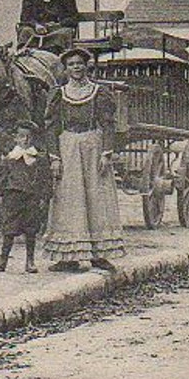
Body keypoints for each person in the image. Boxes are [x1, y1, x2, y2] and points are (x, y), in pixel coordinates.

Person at [43, 48, 125, 272]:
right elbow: (51, 127)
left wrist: (106, 152)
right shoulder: (59, 93)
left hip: (92, 146)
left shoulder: (99, 92)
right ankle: (68, 256)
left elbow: (108, 124)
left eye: (80, 63)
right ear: (66, 69)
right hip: (68, 145)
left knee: (95, 196)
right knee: (69, 197)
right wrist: (54, 158)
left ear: (87, 66)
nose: (76, 68)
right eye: (71, 64)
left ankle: (99, 255)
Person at [0, 122, 51, 274]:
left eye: (28, 137)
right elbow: (0, 177)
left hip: (31, 196)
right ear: (15, 138)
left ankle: (30, 261)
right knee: (9, 228)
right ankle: (2, 261)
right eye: (21, 136)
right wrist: (4, 192)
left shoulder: (39, 159)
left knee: (31, 228)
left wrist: (43, 196)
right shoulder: (9, 158)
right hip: (13, 196)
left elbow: (45, 179)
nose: (25, 140)